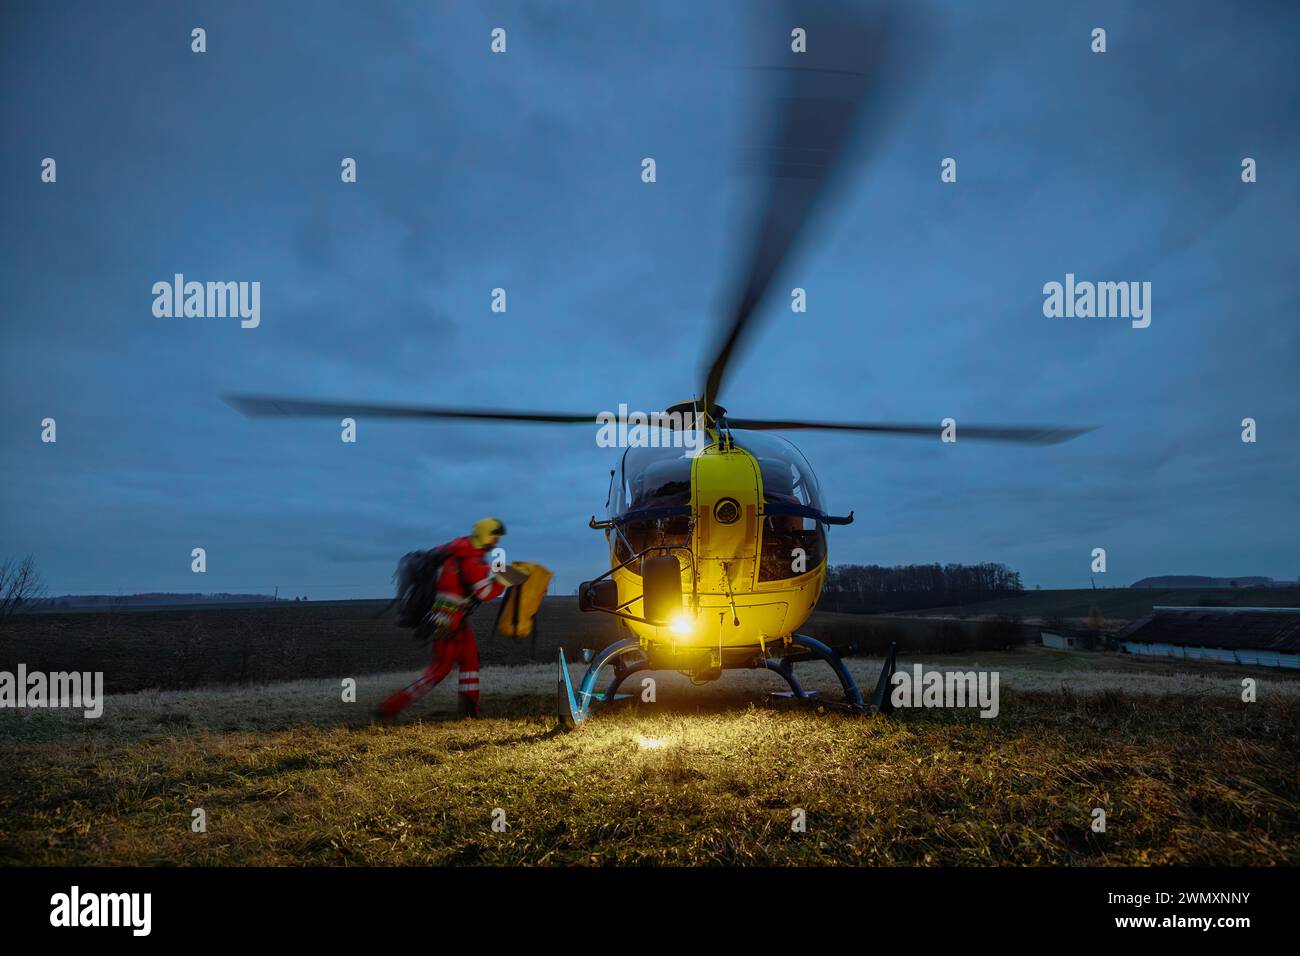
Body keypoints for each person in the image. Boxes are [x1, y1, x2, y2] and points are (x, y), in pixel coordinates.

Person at [377, 518, 510, 720]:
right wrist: (503, 580)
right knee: (439, 671)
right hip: (448, 621)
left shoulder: (459, 549)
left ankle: (469, 709)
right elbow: (485, 592)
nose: (496, 542)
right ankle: (389, 707)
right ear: (486, 535)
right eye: (495, 537)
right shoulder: (470, 559)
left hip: (452, 618)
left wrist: (495, 573)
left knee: (469, 660)